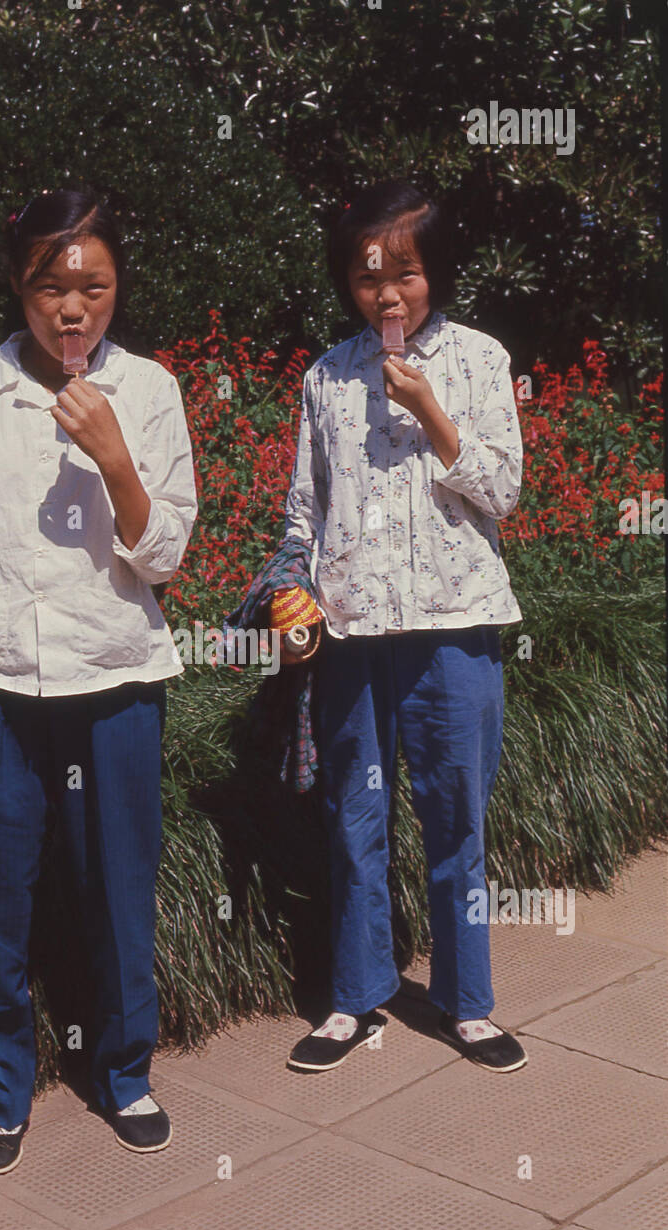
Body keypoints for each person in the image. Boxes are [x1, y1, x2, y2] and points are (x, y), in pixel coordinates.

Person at [0, 188, 197, 1173]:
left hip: (114, 681)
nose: (72, 309)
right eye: (49, 286)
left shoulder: (150, 391)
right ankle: (1, 1088)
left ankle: (124, 1071)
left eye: (93, 286)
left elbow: (164, 558)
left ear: (118, 288)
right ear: (18, 287)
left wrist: (114, 454)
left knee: (119, 887)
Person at [284, 179, 528, 1076]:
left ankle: (467, 1006)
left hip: (456, 627)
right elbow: (302, 512)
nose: (387, 294)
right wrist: (292, 593)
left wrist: (430, 410)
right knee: (355, 817)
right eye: (367, 275)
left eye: (407, 272)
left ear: (436, 272)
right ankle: (357, 999)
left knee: (456, 818)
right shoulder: (325, 376)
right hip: (354, 633)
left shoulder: (478, 358)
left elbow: (503, 491)